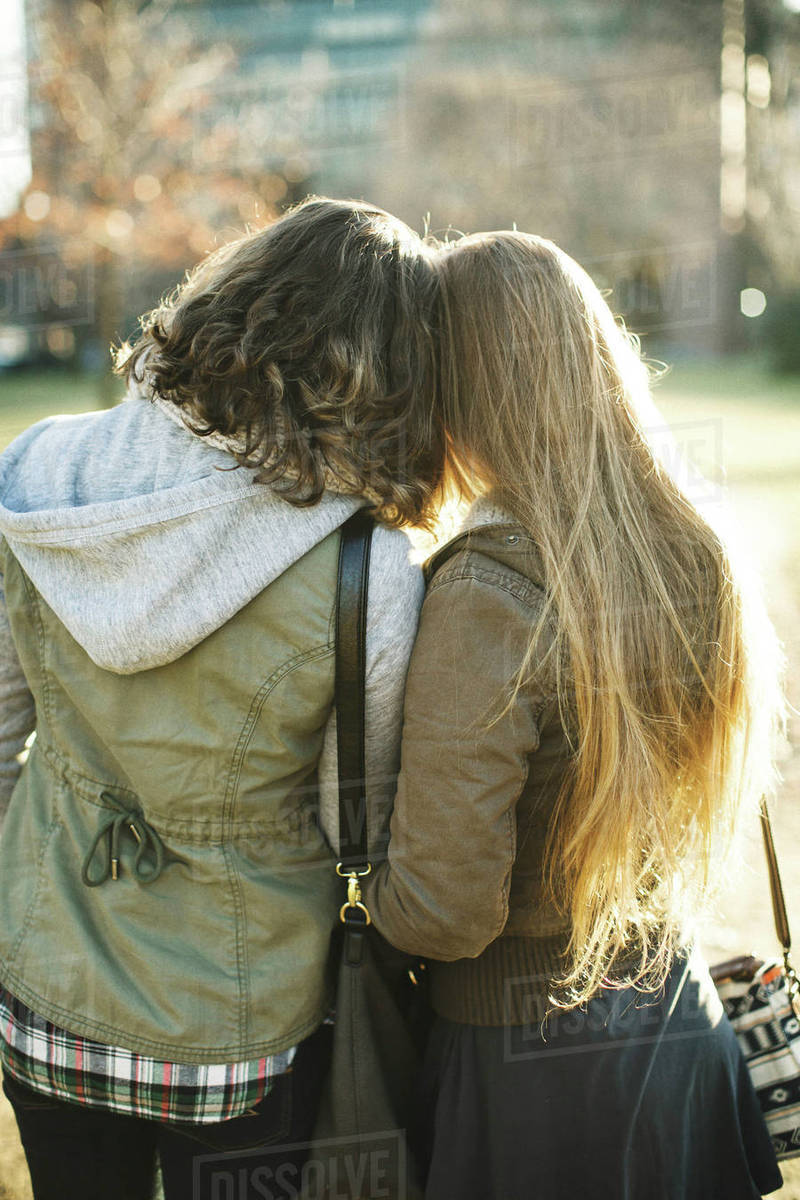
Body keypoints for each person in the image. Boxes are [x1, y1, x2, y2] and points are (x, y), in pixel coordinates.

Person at [0, 197, 442, 1200]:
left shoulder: (33, 471)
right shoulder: (363, 564)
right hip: (238, 1018)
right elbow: (349, 818)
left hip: (44, 978)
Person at [364, 230, 785, 1199]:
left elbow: (442, 908)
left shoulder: (485, 590)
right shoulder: (693, 544)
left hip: (528, 1063)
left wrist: (347, 901)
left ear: (455, 389)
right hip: (675, 1023)